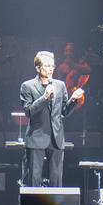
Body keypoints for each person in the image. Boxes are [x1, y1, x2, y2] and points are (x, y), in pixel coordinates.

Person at [20, 50, 83, 186]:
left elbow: (64, 111)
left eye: (52, 66)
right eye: (47, 66)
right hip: (37, 137)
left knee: (56, 180)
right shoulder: (27, 86)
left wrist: (73, 100)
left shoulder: (60, 85)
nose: (50, 69)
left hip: (56, 138)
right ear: (38, 68)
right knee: (34, 180)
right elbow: (28, 111)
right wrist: (45, 97)